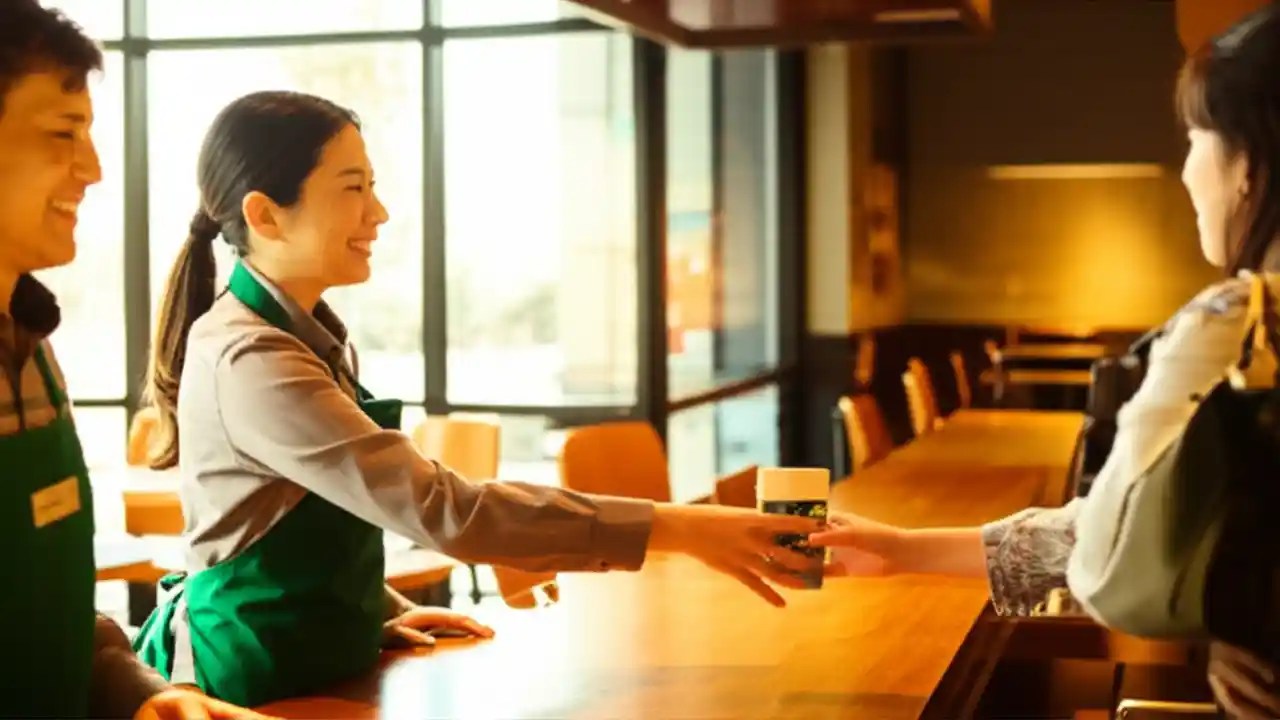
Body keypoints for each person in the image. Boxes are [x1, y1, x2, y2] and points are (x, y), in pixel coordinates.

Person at [131, 89, 821, 707]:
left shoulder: (303, 334)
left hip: (312, 671)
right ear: (266, 215)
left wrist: (374, 609)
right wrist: (682, 528)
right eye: (352, 188)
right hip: (244, 688)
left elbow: (304, 514)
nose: (379, 212)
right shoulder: (251, 356)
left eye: (372, 186)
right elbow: (442, 509)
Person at [812, 5, 1280, 718]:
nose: (1185, 170)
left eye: (1193, 138)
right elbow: (1121, 533)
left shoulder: (1239, 332)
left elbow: (1109, 563)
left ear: (1249, 161)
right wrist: (906, 548)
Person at [0, 3, 267, 719]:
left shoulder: (31, 342)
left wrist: (141, 691)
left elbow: (44, 607)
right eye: (63, 135)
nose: (91, 169)